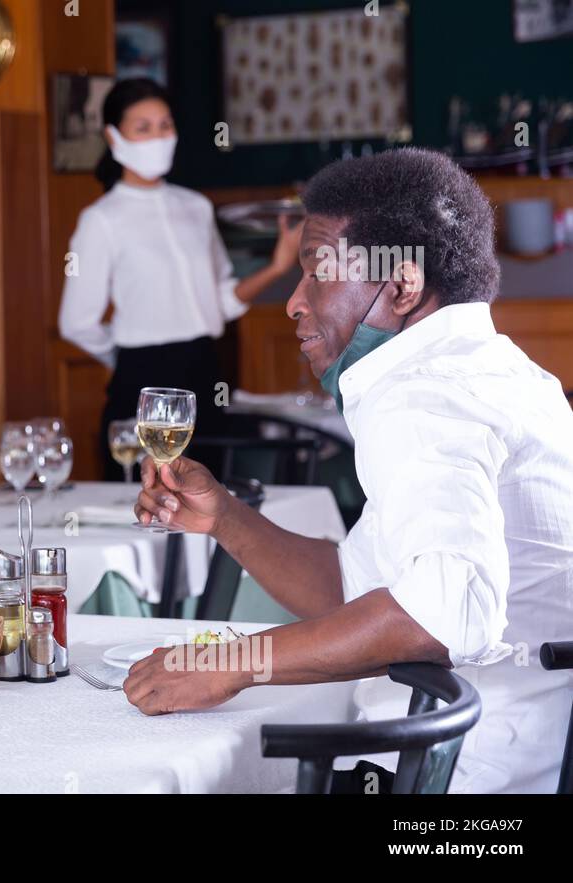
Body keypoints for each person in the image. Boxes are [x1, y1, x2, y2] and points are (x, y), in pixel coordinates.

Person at [128, 149, 573, 793]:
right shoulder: (507, 374)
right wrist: (226, 516)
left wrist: (234, 661)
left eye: (317, 273)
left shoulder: (425, 393)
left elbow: (440, 616)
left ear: (400, 286)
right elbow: (362, 595)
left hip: (458, 790)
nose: (294, 303)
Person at [58, 78, 302, 479]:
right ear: (113, 136)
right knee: (149, 508)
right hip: (142, 381)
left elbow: (221, 300)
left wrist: (277, 267)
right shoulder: (100, 219)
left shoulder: (196, 207)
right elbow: (76, 323)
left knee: (211, 506)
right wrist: (127, 358)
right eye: (143, 127)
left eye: (165, 124)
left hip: (206, 371)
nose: (158, 136)